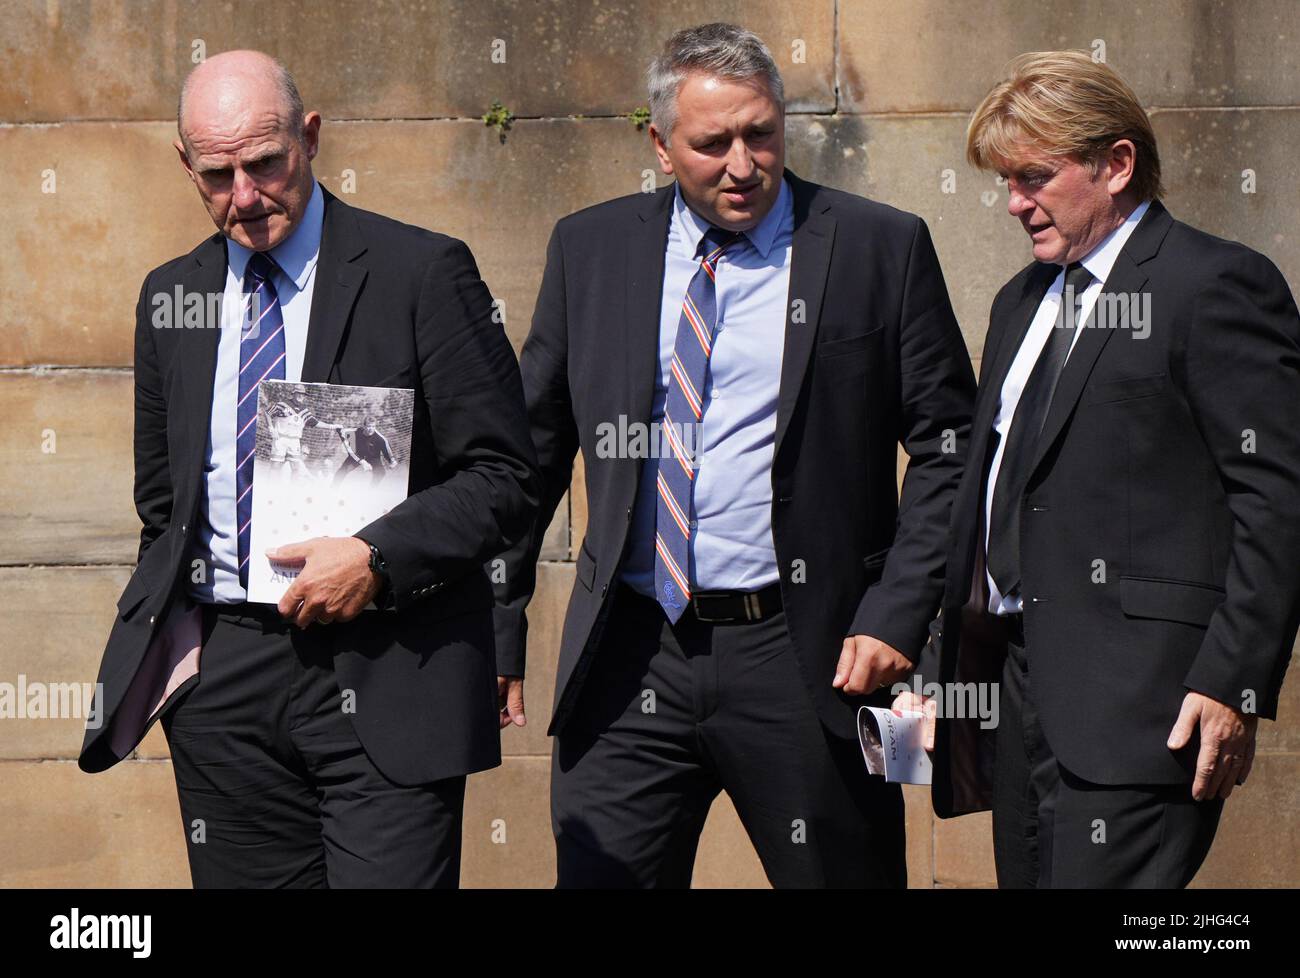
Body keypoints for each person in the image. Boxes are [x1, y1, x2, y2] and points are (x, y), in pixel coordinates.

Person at [495, 22, 975, 887]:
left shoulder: (877, 245)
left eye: (761, 133)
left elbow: (951, 448)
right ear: (659, 142)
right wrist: (497, 630)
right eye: (712, 143)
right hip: (629, 655)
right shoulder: (590, 249)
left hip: (807, 655)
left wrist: (897, 614)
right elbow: (527, 459)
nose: (743, 164)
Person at [79, 50, 539, 888]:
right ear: (187, 166)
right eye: (218, 176)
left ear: (312, 137)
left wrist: (378, 557)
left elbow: (507, 476)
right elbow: (164, 501)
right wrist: (189, 670)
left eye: (265, 163)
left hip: (389, 668)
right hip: (225, 689)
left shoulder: (421, 273)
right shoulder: (169, 297)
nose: (246, 197)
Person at [915, 51, 1300, 888]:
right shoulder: (1019, 301)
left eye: (1035, 177)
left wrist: (1233, 682)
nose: (1015, 202)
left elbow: (1277, 500)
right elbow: (990, 498)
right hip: (1016, 696)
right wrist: (937, 661)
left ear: (1117, 163)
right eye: (1007, 182)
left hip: (1146, 710)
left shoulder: (1214, 284)